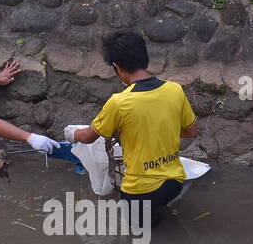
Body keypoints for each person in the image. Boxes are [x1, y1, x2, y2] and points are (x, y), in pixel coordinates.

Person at [69, 30, 198, 226]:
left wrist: (72, 133)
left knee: (140, 242)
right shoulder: (175, 90)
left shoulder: (119, 103)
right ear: (145, 58)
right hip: (175, 182)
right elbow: (190, 132)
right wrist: (157, 129)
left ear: (117, 66)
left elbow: (87, 137)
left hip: (141, 192)